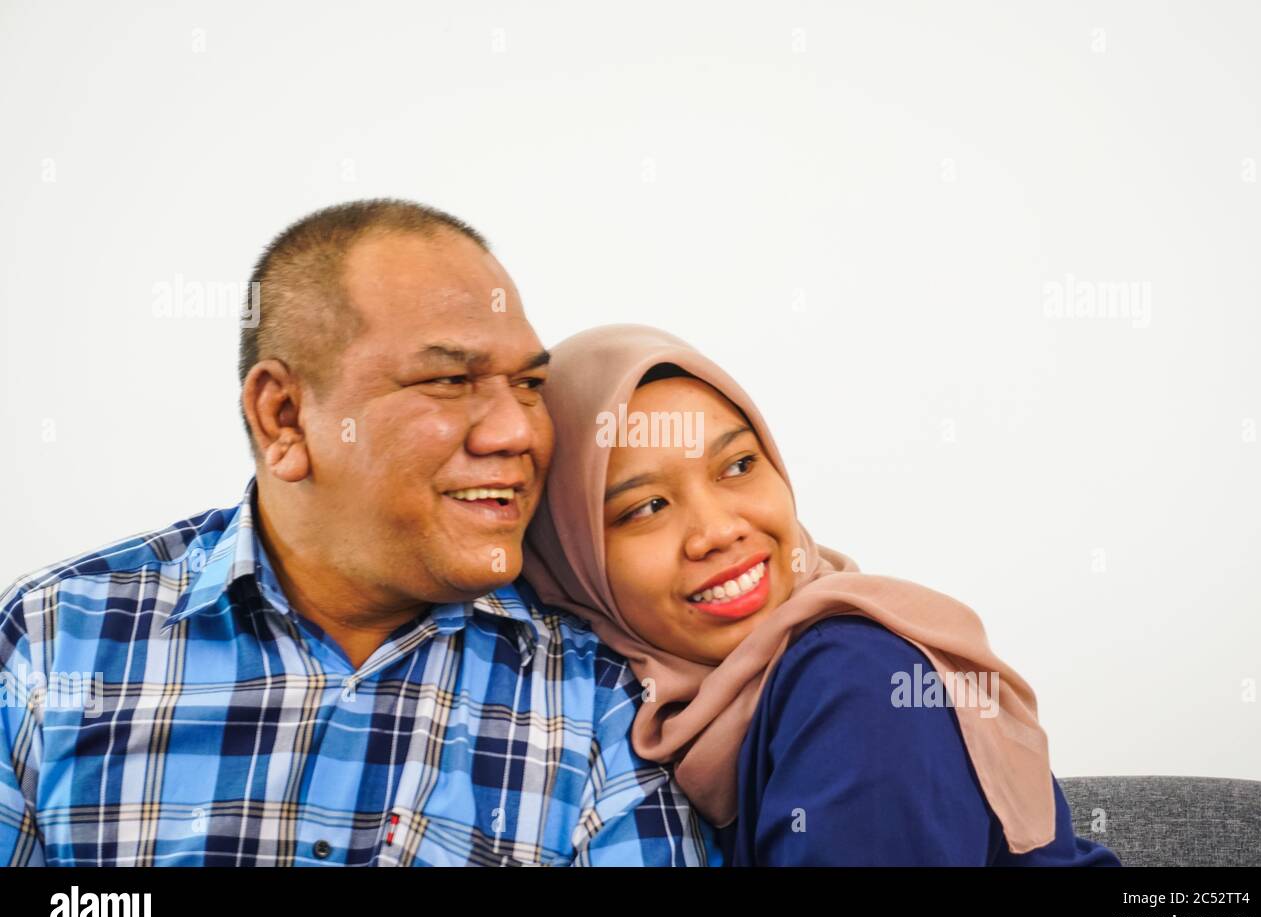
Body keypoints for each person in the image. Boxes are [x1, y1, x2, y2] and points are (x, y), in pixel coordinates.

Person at [0, 201, 719, 866]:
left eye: (529, 385)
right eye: (449, 381)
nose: (519, 431)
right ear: (284, 418)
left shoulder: (603, 699)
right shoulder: (53, 639)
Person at [522, 324, 1122, 866]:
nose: (720, 530)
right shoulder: (622, 717)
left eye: (736, 466)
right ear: (568, 558)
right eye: (647, 507)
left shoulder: (852, 678)